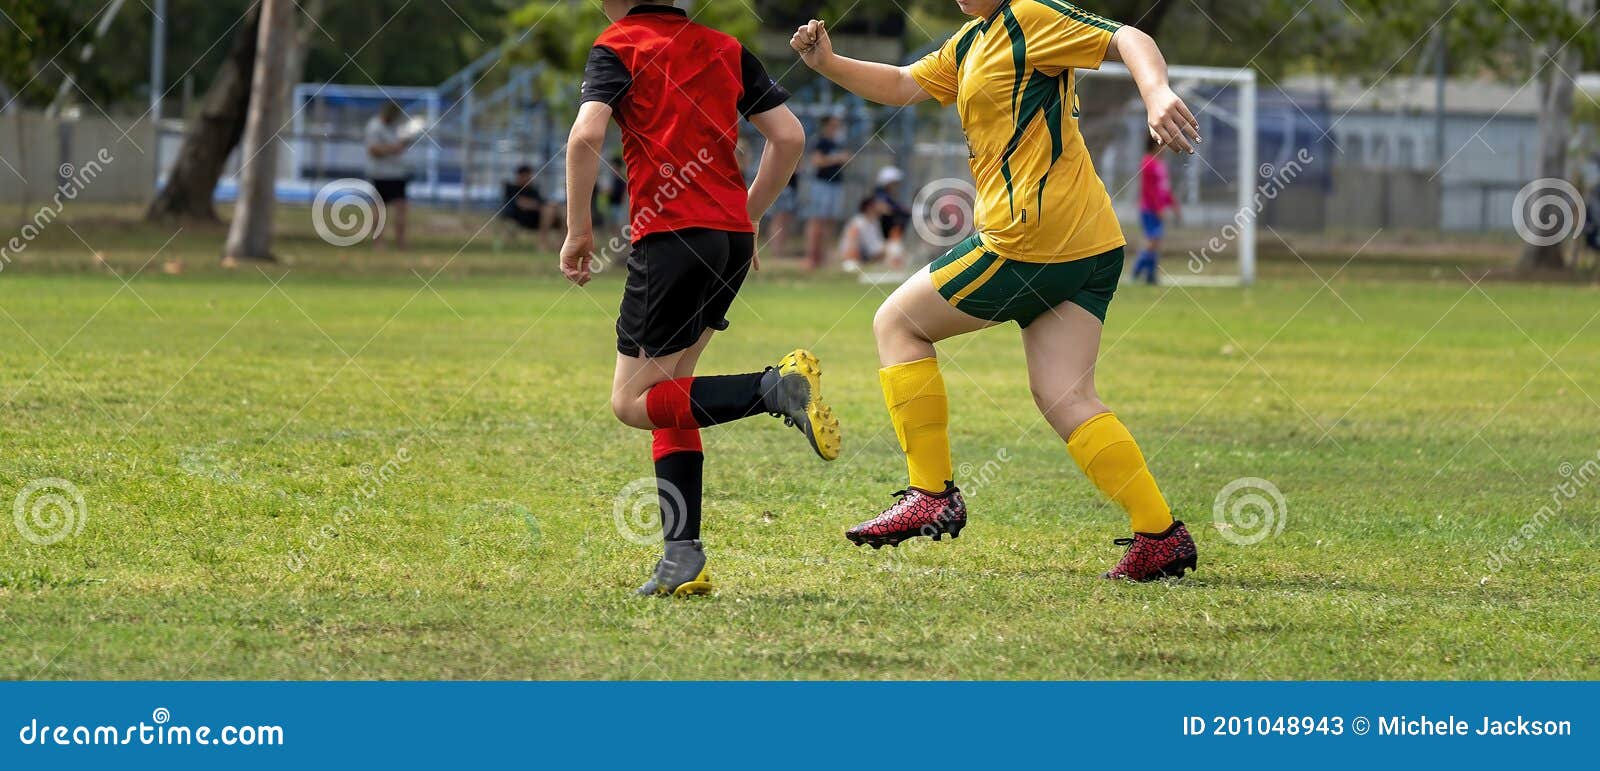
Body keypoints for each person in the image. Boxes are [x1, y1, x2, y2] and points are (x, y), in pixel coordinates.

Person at [792, 0, 1203, 581]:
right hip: (1090, 244)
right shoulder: (969, 41)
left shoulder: (1030, 15)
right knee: (1066, 397)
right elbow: (904, 83)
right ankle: (1159, 534)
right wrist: (828, 63)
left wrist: (1156, 92)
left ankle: (931, 494)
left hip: (1031, 238)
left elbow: (1128, 38)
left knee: (898, 323)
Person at [562, 0, 839, 597]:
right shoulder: (725, 47)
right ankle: (681, 557)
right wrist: (748, 216)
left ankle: (773, 388)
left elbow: (585, 137)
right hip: (730, 237)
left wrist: (579, 233)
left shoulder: (619, 44)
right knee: (671, 392)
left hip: (672, 237)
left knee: (631, 402)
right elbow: (789, 136)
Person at [365, 101, 417, 251]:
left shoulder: (395, 127)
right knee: (379, 209)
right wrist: (393, 149)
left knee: (402, 207)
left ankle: (401, 241)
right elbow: (373, 150)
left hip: (398, 174)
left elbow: (400, 143)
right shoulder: (374, 127)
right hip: (380, 174)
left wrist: (404, 143)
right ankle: (378, 242)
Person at [803, 115, 851, 269]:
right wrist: (837, 158)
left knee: (831, 221)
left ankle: (825, 257)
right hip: (822, 184)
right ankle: (812, 257)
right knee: (817, 220)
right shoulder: (820, 141)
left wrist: (842, 159)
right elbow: (817, 161)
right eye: (833, 125)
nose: (836, 129)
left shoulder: (838, 143)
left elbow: (846, 159)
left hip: (836, 185)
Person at [1132, 135, 1178, 284]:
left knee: (1156, 242)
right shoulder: (1147, 162)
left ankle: (1151, 276)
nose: (1165, 148)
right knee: (1153, 240)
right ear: (1155, 144)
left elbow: (1164, 188)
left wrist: (1174, 205)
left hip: (1158, 209)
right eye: (1162, 144)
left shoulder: (1161, 164)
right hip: (1149, 209)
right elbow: (1149, 189)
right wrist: (1158, 208)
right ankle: (1137, 269)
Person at [500, 164, 561, 252]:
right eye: (525, 176)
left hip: (537, 217)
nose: (528, 178)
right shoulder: (512, 188)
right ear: (519, 176)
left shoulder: (533, 190)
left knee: (560, 211)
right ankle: (542, 243)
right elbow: (521, 203)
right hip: (521, 217)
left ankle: (561, 244)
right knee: (548, 210)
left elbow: (542, 202)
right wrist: (538, 206)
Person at [838, 196, 892, 272]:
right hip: (854, 256)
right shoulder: (859, 221)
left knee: (892, 248)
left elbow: (877, 247)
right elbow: (851, 241)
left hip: (867, 256)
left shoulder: (874, 222)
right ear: (869, 207)